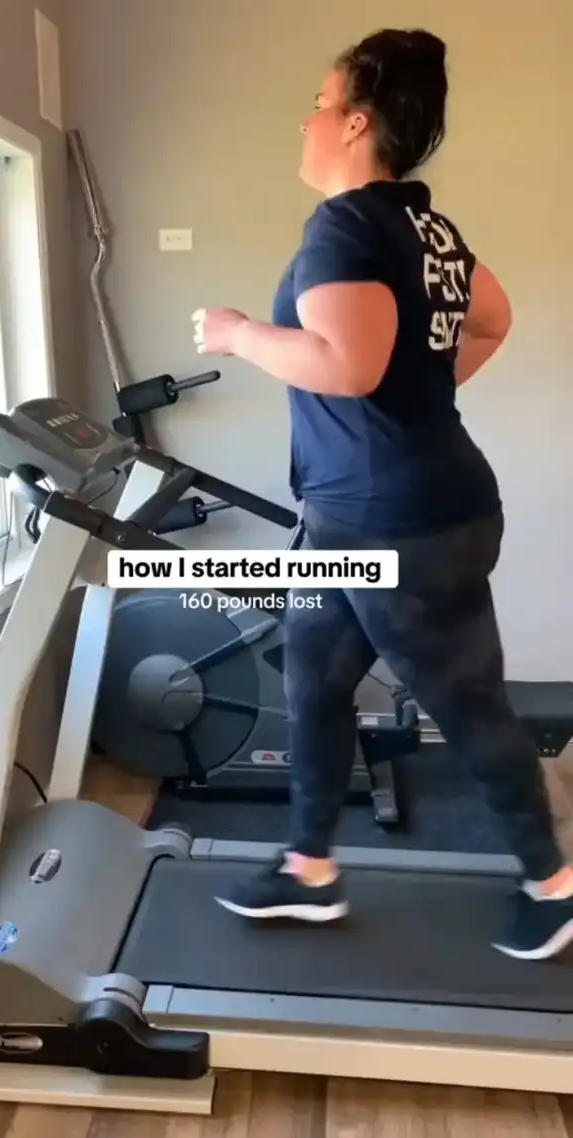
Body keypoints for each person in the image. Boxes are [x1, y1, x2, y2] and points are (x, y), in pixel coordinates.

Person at [190, 27, 573, 961]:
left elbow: (346, 366)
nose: (308, 121)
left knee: (466, 702)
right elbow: (491, 319)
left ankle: (555, 886)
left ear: (357, 121)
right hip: (363, 515)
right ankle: (309, 868)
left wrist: (238, 334)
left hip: (398, 525)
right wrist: (421, 398)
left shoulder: (347, 225)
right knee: (316, 673)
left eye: (321, 104)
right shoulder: (426, 228)